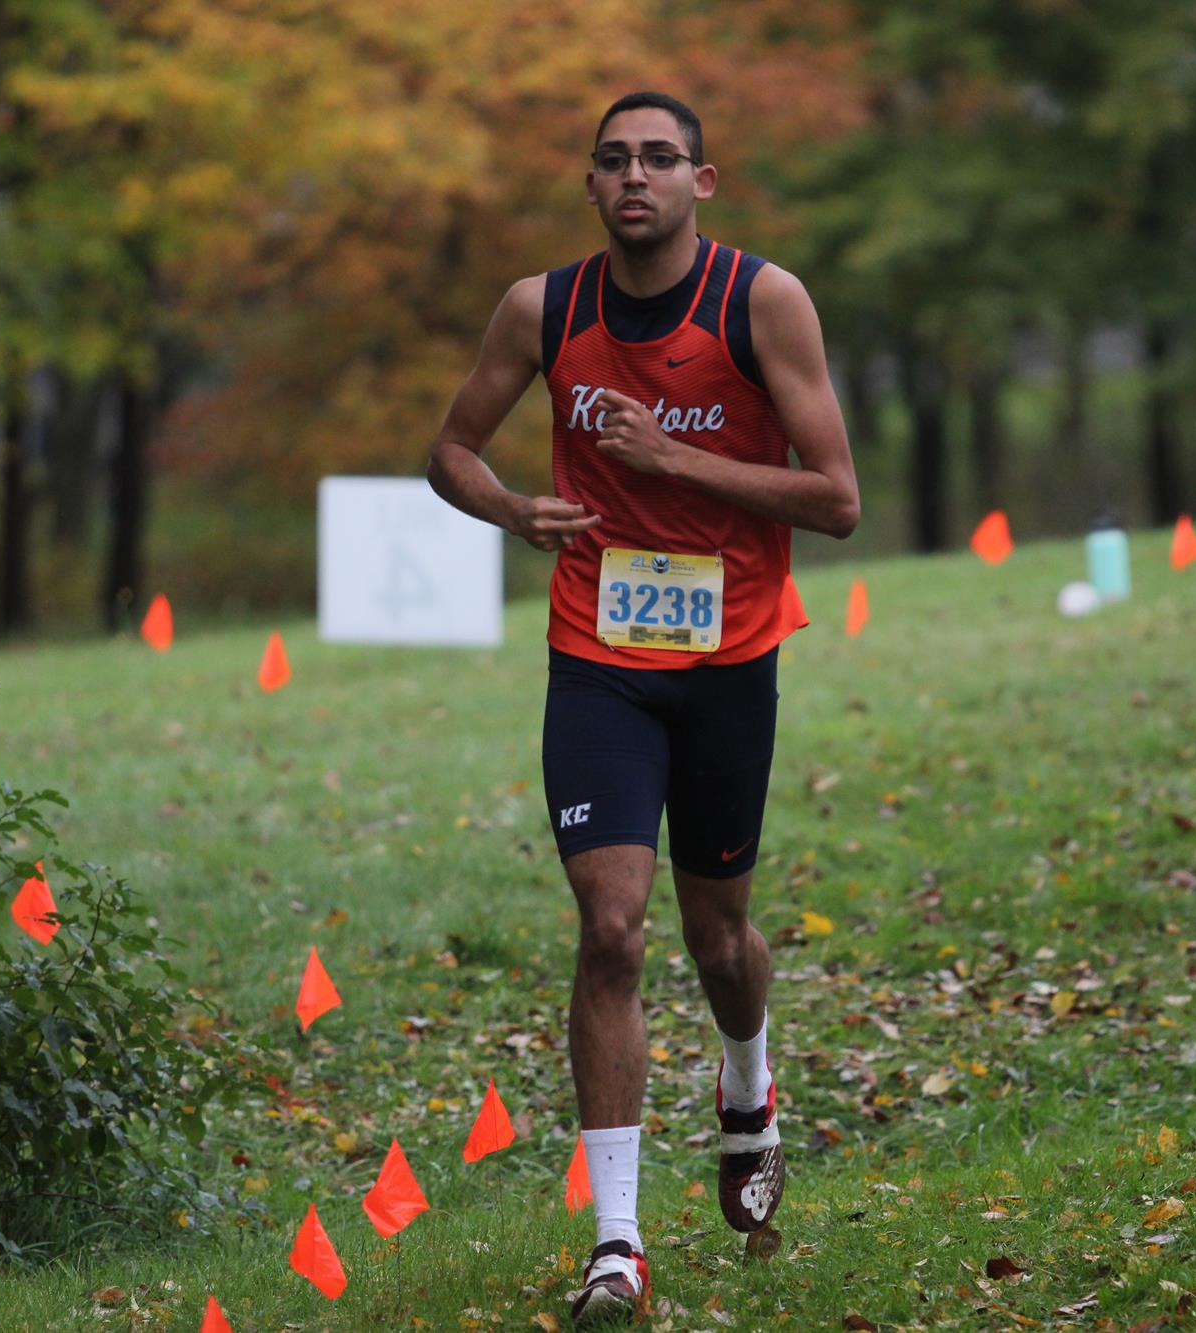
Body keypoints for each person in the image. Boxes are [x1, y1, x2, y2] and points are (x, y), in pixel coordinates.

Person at [426, 91, 859, 1326]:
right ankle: (617, 1244)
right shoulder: (542, 309)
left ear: (699, 182)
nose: (635, 178)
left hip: (728, 659)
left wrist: (671, 461)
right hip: (597, 651)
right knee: (611, 926)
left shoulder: (758, 302)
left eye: (659, 159)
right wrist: (513, 507)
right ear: (590, 184)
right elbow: (449, 451)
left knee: (717, 937)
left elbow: (834, 500)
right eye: (613, 160)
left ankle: (747, 1085)